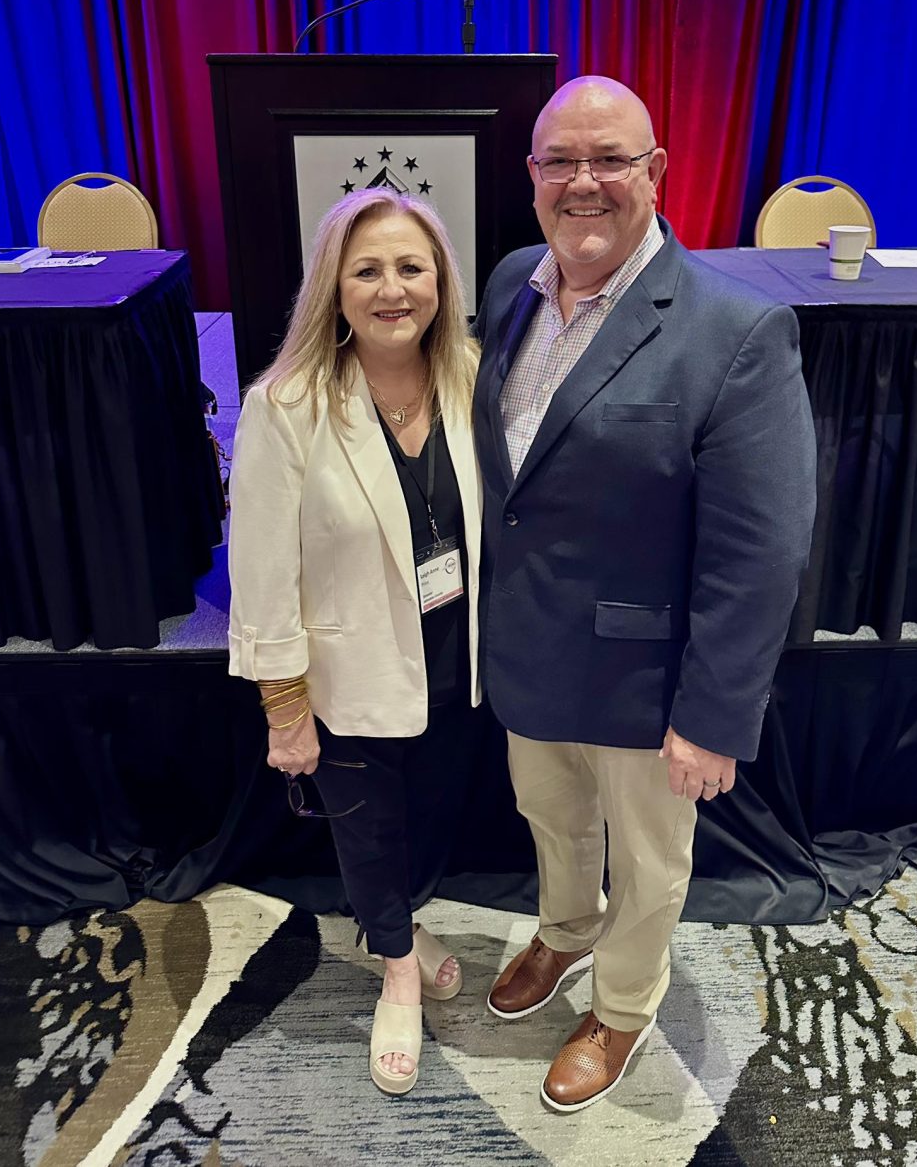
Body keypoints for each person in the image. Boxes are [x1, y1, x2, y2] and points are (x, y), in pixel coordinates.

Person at [472, 76, 817, 1112]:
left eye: (610, 159)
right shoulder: (511, 281)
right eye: (560, 161)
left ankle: (621, 1005)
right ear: (532, 174)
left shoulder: (737, 329)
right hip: (528, 647)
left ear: (656, 172)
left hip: (646, 677)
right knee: (550, 818)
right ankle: (567, 931)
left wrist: (712, 715)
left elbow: (760, 550)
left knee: (650, 863)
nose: (583, 182)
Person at [227, 187, 482, 1097]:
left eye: (411, 267)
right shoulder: (285, 404)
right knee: (370, 834)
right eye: (366, 270)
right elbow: (260, 572)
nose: (392, 289)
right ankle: (398, 974)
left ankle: (398, 924)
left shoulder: (473, 378)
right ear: (333, 290)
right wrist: (284, 706)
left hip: (457, 661)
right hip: (346, 675)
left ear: (441, 281)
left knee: (432, 822)